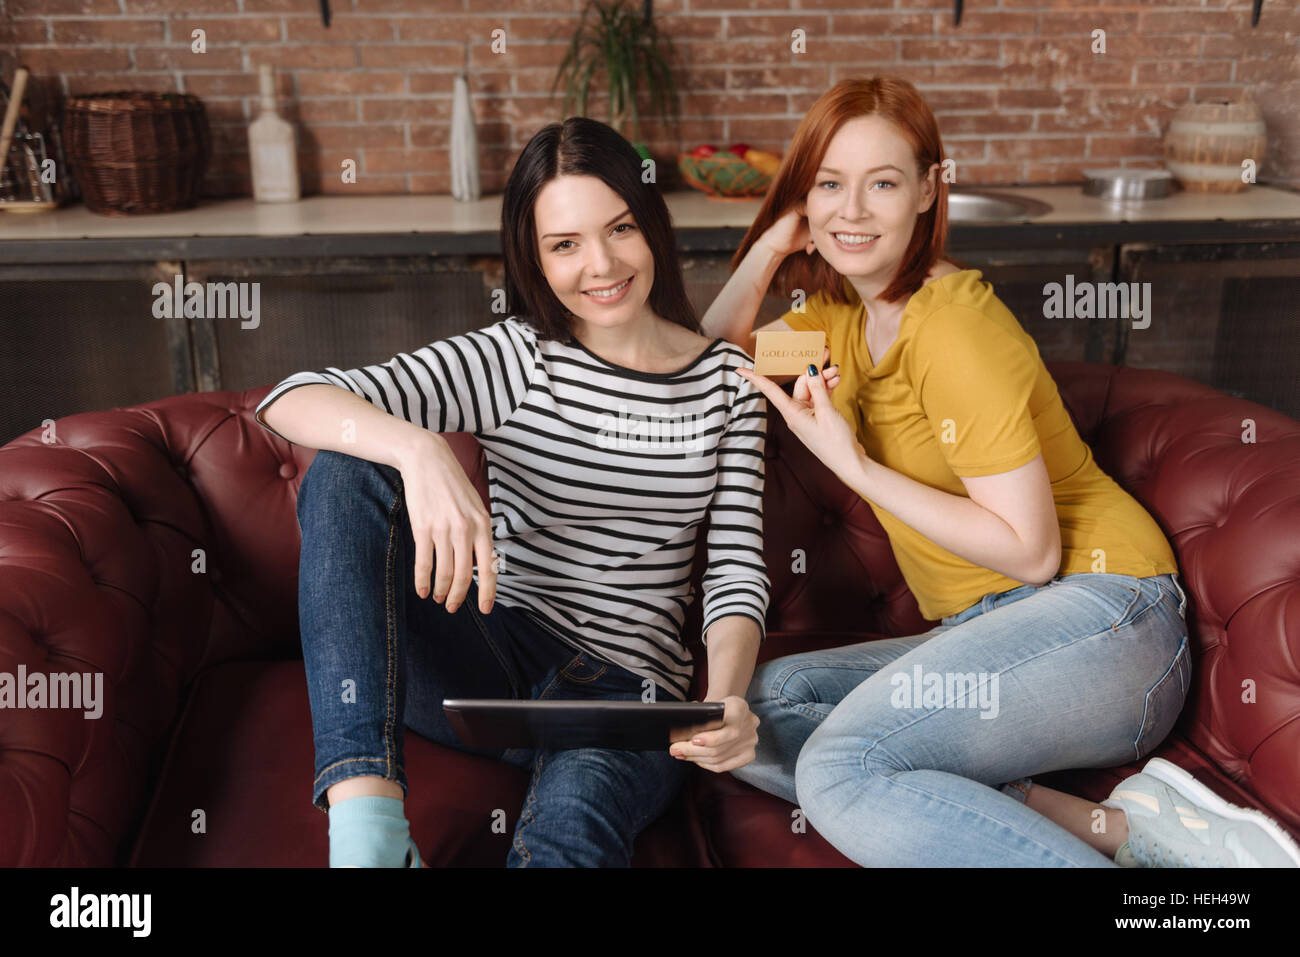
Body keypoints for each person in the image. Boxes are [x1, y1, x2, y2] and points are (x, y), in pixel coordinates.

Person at [691, 74, 1300, 867]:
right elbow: (709, 357)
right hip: (990, 632)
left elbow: (1031, 552)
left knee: (840, 769)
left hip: (1108, 618)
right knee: (757, 707)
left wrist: (855, 465)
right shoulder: (837, 314)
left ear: (927, 190)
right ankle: (1123, 831)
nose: (851, 210)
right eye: (830, 184)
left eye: (882, 183)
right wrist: (774, 241)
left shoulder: (954, 328)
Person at [254, 116, 770, 867]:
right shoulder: (517, 357)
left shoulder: (728, 383)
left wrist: (723, 698)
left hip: (624, 699)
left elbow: (734, 574)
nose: (601, 264)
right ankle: (370, 841)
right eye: (565, 244)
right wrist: (420, 447)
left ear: (651, 223)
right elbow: (292, 397)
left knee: (570, 837)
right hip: (489, 658)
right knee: (346, 469)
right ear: (534, 255)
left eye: (620, 228)